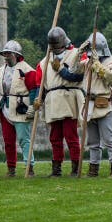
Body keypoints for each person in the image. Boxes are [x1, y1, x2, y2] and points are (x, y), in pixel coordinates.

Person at [72, 32, 112, 178]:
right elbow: (74, 69)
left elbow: (110, 77)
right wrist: (78, 54)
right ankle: (93, 170)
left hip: (104, 104)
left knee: (109, 139)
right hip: (89, 104)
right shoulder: (88, 62)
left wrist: (96, 63)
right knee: (93, 141)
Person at [34, 27, 84, 177]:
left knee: (71, 136)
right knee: (55, 138)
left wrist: (61, 70)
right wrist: (38, 99)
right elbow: (40, 85)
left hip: (68, 98)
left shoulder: (76, 54)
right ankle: (56, 169)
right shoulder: (44, 62)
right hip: (52, 100)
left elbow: (78, 77)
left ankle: (76, 167)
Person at [0, 40, 39, 177]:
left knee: (24, 140)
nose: (6, 56)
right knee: (8, 141)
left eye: (9, 53)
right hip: (5, 108)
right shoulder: (1, 70)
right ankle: (11, 167)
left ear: (17, 55)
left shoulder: (27, 70)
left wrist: (32, 106)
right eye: (5, 54)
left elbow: (33, 89)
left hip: (21, 107)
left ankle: (29, 167)